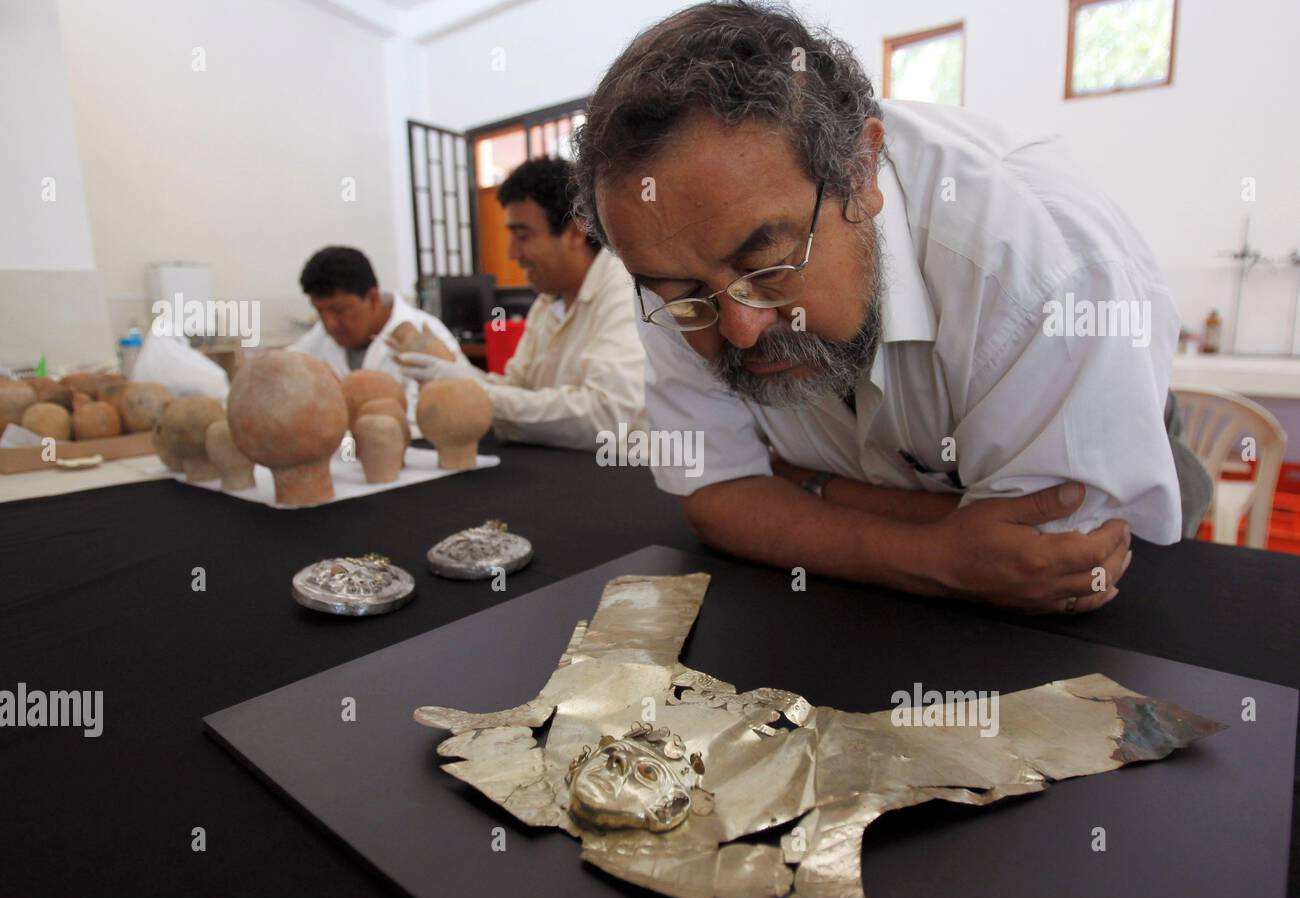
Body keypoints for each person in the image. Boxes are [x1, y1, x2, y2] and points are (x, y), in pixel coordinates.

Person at [571, 0, 1205, 615]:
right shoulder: (673, 254)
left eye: (765, 265)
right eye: (680, 295)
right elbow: (714, 494)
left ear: (861, 170)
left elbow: (1047, 557)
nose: (736, 329)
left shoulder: (1046, 267)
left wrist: (800, 483)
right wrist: (937, 555)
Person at [395, 157, 645, 451]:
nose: (513, 253)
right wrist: (458, 374)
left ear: (575, 233)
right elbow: (519, 389)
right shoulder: (548, 301)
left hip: (620, 477)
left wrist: (478, 393)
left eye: (522, 236)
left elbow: (605, 417)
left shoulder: (623, 290)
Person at [290, 246, 467, 391]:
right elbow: (288, 367)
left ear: (373, 298)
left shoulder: (425, 332)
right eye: (320, 311)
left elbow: (460, 402)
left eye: (339, 310)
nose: (329, 324)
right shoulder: (319, 336)